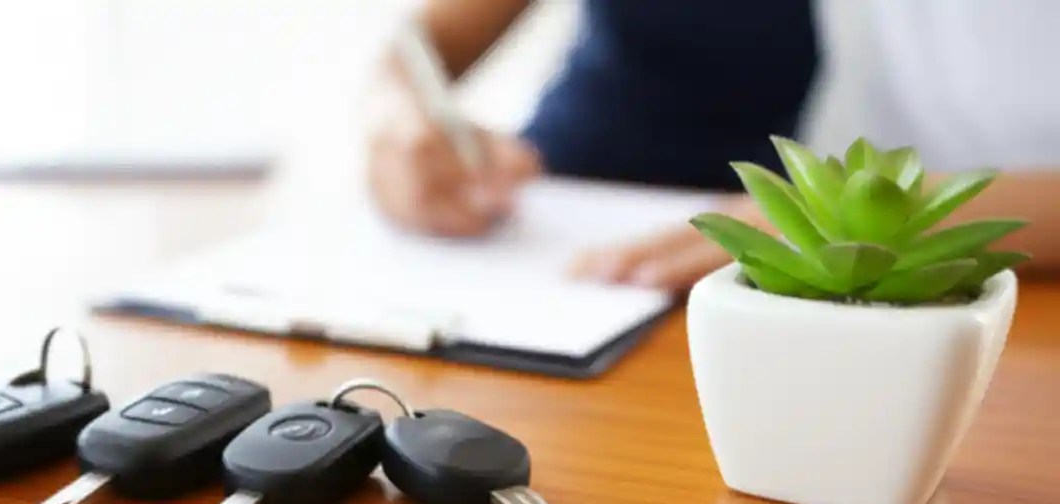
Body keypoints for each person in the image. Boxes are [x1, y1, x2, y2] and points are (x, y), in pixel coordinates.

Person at [367, 0, 1060, 290]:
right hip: (536, 225)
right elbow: (418, 45)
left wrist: (863, 220)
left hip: (782, 249)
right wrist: (396, 118)